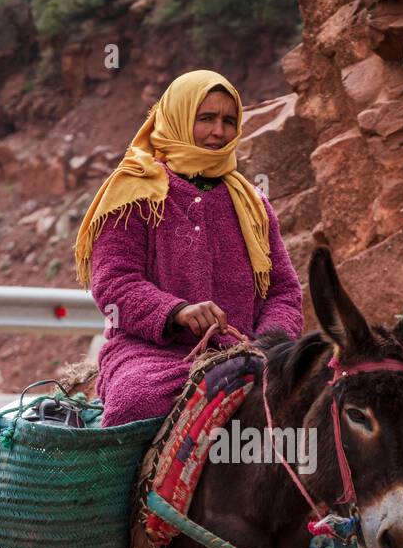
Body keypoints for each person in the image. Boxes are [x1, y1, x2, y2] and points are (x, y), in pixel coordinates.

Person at [73, 69, 305, 426]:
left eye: (229, 121)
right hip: (151, 355)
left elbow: (283, 291)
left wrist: (269, 347)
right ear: (178, 118)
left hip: (243, 358)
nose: (219, 131)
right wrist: (176, 311)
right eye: (206, 118)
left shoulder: (252, 203)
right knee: (138, 401)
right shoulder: (134, 192)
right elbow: (114, 282)